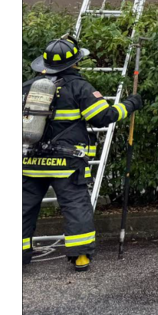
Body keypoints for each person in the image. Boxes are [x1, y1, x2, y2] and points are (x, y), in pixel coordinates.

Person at [22, 37, 143, 272]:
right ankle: (80, 257)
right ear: (74, 63)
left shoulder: (26, 88)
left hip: (30, 160)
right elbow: (103, 117)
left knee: (23, 208)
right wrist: (130, 105)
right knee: (75, 206)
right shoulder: (79, 87)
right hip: (67, 163)